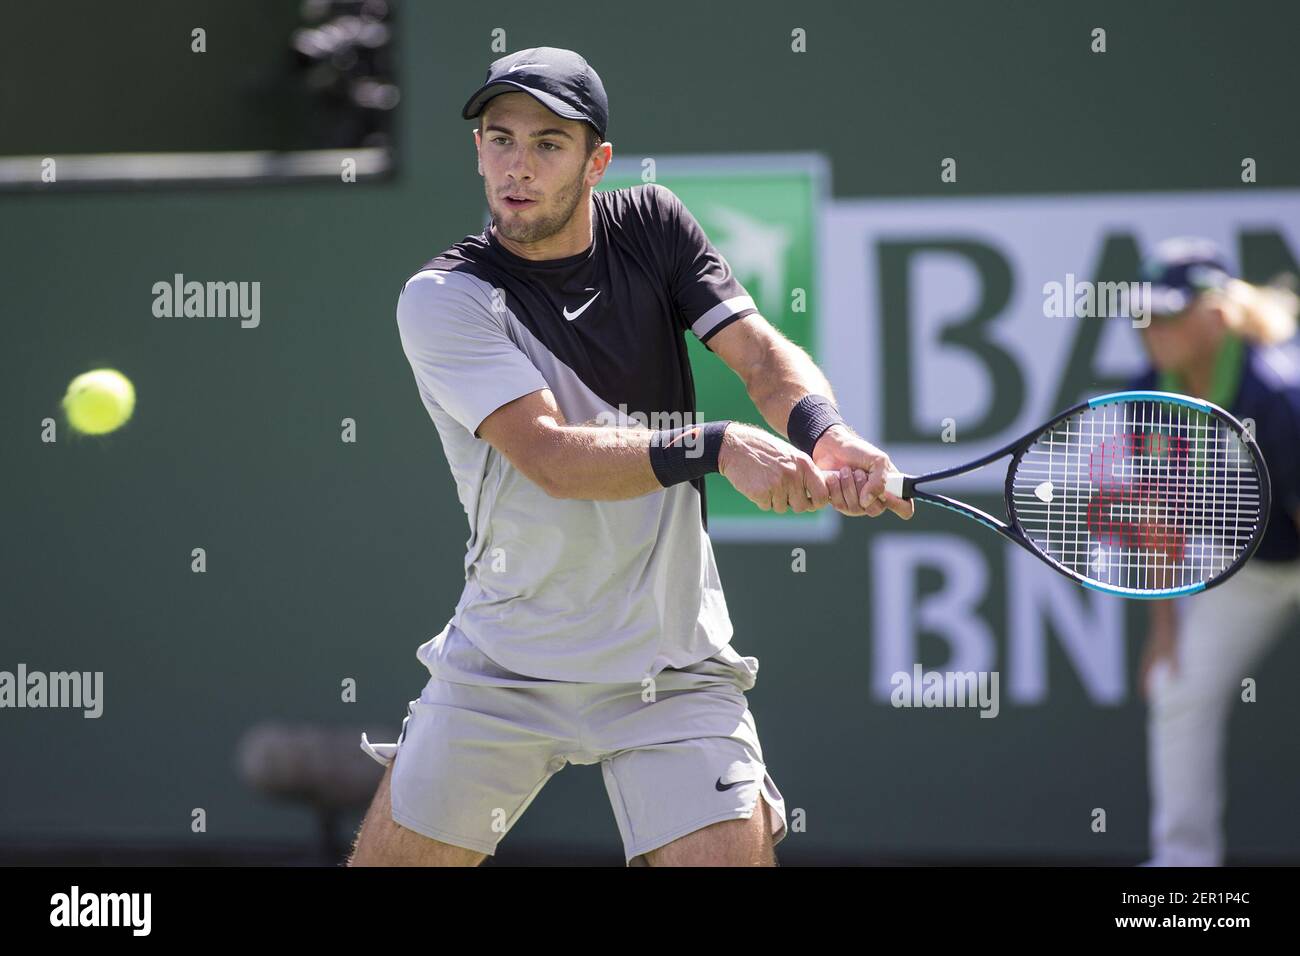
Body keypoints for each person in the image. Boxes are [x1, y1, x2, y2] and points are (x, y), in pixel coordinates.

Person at [347, 47, 913, 867]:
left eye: (548, 143)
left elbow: (757, 359)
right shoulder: (445, 298)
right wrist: (719, 446)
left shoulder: (651, 225)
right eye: (499, 138)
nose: (517, 165)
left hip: (672, 667)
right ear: (477, 150)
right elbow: (552, 459)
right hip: (504, 670)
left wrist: (826, 432)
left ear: (596, 161)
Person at [1130, 237, 1300, 866]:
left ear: (1218, 314)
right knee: (1178, 688)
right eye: (1144, 313)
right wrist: (1164, 626)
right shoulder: (1146, 395)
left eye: (1171, 311)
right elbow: (1158, 521)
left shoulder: (1278, 395)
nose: (1153, 328)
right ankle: (1183, 867)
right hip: (1250, 569)